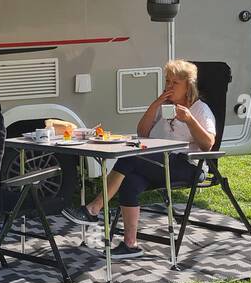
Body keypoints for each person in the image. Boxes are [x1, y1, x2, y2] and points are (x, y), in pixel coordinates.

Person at [63, 59, 216, 258]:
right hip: (157, 162)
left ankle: (94, 208)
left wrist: (189, 119)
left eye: (174, 83)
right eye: (167, 81)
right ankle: (130, 245)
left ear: (188, 85)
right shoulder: (165, 107)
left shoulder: (200, 109)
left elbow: (208, 144)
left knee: (130, 158)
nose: (168, 86)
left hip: (185, 164)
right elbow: (142, 132)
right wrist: (156, 103)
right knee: (131, 182)